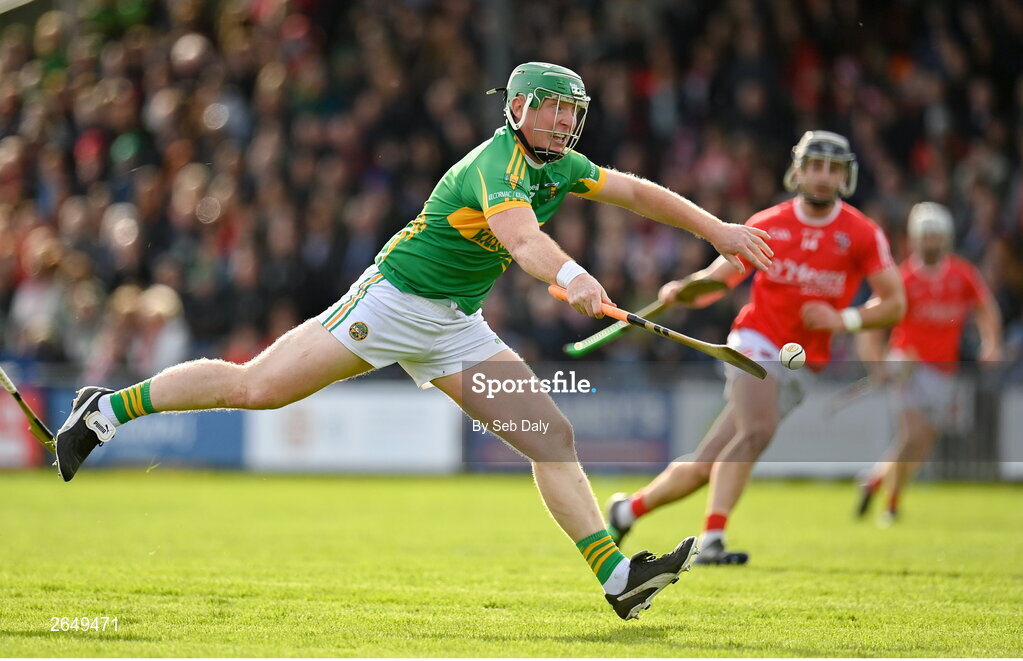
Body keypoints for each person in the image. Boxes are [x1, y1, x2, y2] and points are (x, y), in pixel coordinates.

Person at [53, 62, 773, 620]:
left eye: (571, 110)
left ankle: (617, 578)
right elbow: (522, 239)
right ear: (518, 108)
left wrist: (719, 231)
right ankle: (106, 410)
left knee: (549, 437)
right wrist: (575, 276)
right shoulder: (497, 165)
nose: (563, 121)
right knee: (256, 388)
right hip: (393, 301)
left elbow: (638, 193)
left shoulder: (561, 166)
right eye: (551, 107)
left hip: (455, 325)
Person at [605, 130, 906, 565]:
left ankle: (626, 509)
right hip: (756, 340)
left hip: (800, 363)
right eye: (815, 166)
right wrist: (684, 290)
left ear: (846, 177)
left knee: (707, 463)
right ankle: (711, 541)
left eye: (833, 169)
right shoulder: (769, 223)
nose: (822, 177)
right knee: (757, 431)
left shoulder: (861, 233)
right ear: (798, 170)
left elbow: (895, 303)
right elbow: (720, 279)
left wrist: (845, 320)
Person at [855, 202, 1002, 524]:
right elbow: (871, 321)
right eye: (925, 236)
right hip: (908, 364)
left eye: (936, 236)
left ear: (946, 237)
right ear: (915, 239)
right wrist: (878, 364)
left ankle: (880, 486)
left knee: (923, 443)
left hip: (944, 370)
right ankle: (888, 500)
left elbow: (986, 309)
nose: (931, 242)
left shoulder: (963, 274)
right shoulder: (902, 278)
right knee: (912, 434)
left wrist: (991, 343)